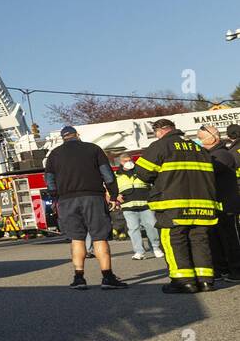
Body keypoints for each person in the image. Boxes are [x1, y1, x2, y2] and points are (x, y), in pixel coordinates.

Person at [133, 118, 218, 293]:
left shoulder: (161, 146)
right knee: (199, 240)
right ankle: (205, 280)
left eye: (155, 133)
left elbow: (142, 173)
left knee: (173, 240)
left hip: (173, 205)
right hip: (204, 205)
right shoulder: (198, 148)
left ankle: (183, 281)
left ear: (160, 131)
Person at [44, 125, 125, 290]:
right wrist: (114, 195)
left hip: (67, 200)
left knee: (77, 239)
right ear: (77, 135)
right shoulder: (93, 149)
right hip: (92, 197)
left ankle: (79, 278)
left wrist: (55, 198)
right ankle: (107, 277)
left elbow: (49, 179)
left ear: (62, 138)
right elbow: (108, 175)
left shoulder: (54, 154)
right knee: (99, 237)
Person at [198, 125, 240, 283]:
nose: (200, 142)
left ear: (213, 138)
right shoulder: (212, 154)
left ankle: (237, 271)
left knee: (231, 240)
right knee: (217, 240)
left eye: (202, 139)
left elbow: (207, 174)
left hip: (228, 206)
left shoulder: (222, 155)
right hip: (216, 207)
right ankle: (222, 269)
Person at [116, 152, 163, 260]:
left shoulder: (141, 172)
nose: (128, 163)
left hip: (145, 204)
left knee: (152, 226)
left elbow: (152, 183)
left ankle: (156, 248)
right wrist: (116, 196)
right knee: (133, 229)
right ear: (121, 162)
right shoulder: (117, 175)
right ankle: (139, 252)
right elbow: (111, 190)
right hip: (128, 206)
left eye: (129, 160)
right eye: (125, 161)